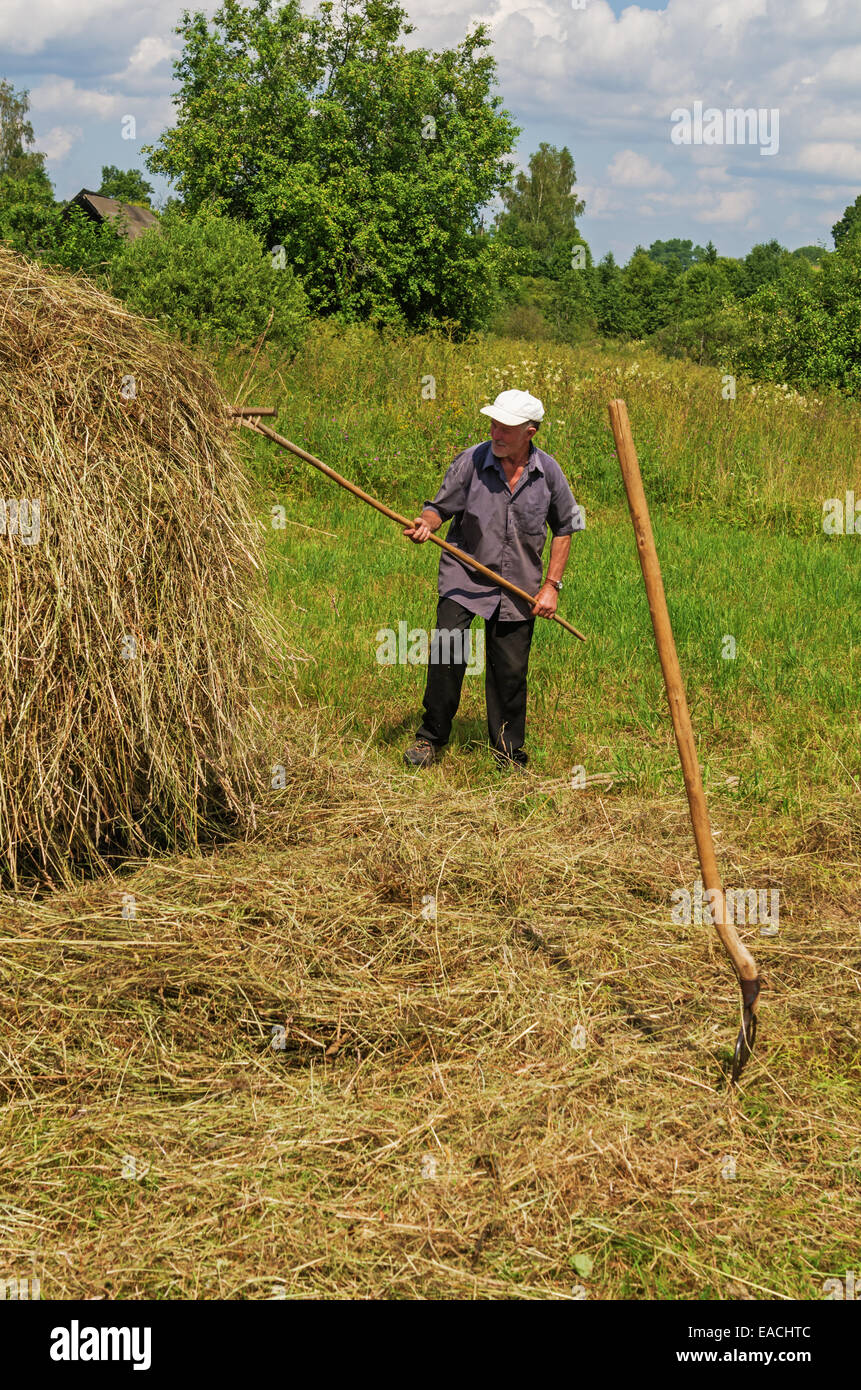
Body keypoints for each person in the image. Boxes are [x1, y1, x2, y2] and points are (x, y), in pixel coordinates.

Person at [402, 388, 584, 769]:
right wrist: (426, 524)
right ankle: (430, 736)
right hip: (465, 571)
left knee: (510, 671)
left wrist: (551, 587)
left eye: (505, 429)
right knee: (447, 653)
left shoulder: (548, 472)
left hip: (519, 583)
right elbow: (439, 508)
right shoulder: (471, 460)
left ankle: (507, 751)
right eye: (493, 425)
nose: (496, 434)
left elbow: (565, 527)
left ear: (530, 432)